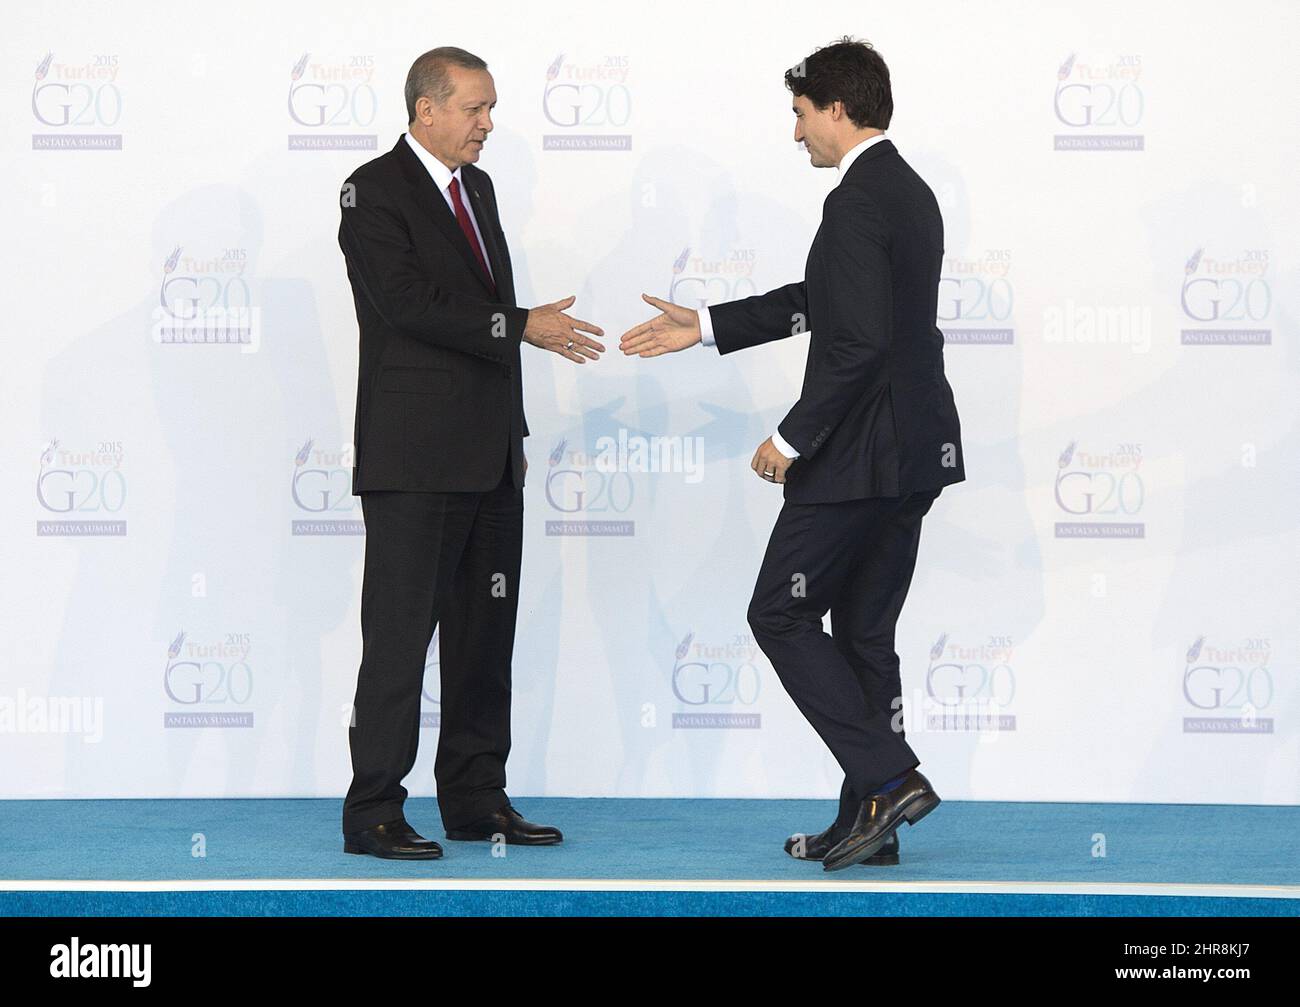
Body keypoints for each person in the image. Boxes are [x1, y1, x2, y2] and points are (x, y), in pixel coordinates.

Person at [619, 37, 964, 871]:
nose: (797, 133)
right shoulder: (906, 189)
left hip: (856, 456)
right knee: (866, 633)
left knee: (778, 612)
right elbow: (828, 302)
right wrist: (704, 325)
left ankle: (889, 776)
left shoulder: (855, 202)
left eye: (802, 114)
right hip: (911, 454)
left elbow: (858, 346)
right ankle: (867, 821)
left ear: (837, 110)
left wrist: (788, 438)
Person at [337, 46, 604, 859]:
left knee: (486, 636)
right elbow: (410, 304)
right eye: (474, 109)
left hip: (491, 458)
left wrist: (516, 351)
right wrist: (519, 322)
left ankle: (476, 797)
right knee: (399, 639)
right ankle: (375, 808)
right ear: (426, 108)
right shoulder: (371, 192)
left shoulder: (477, 188)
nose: (488, 124)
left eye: (490, 110)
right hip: (414, 460)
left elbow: (475, 308)